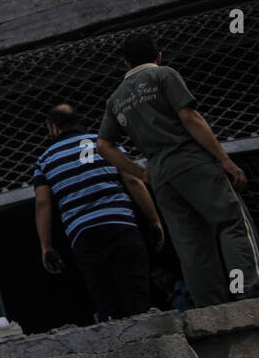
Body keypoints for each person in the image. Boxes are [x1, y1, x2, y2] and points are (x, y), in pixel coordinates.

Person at [96, 33, 259, 307]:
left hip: (161, 175)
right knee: (230, 221)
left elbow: (104, 145)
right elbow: (189, 117)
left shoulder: (116, 99)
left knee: (192, 245)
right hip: (190, 161)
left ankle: (211, 307)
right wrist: (224, 160)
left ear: (126, 63)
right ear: (159, 55)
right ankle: (249, 291)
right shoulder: (164, 75)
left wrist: (140, 172)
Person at [33, 103, 162, 321]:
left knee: (105, 299)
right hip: (122, 226)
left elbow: (43, 204)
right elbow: (133, 180)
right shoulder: (106, 145)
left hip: (83, 235)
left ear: (53, 128)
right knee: (136, 295)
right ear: (77, 121)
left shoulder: (45, 160)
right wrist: (155, 221)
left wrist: (46, 247)